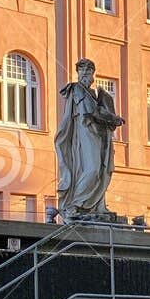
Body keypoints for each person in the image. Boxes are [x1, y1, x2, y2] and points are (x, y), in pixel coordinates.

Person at [55, 58, 123, 221]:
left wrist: (110, 115)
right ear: (78, 73)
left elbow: (99, 109)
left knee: (102, 170)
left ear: (93, 73)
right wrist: (114, 118)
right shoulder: (77, 89)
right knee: (92, 168)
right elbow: (92, 111)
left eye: (88, 70)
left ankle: (98, 206)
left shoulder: (96, 94)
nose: (85, 73)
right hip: (85, 131)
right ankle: (75, 205)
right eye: (82, 70)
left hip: (99, 134)